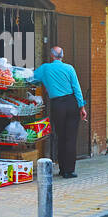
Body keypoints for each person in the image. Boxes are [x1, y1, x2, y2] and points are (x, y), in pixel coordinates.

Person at [32, 45, 87, 178]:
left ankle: (62, 169)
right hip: (72, 103)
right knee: (71, 138)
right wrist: (82, 107)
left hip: (57, 105)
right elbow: (77, 88)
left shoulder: (45, 68)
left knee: (60, 137)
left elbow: (32, 78)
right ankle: (69, 170)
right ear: (62, 56)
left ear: (52, 56)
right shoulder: (69, 68)